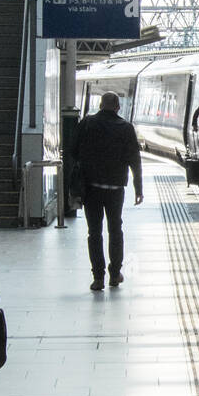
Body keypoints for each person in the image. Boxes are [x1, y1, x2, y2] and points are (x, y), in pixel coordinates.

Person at [72, 90, 144, 292]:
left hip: (92, 188)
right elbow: (135, 161)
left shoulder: (87, 123)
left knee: (94, 232)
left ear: (100, 105)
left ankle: (98, 278)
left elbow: (72, 150)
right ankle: (114, 274)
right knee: (115, 230)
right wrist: (138, 188)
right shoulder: (126, 128)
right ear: (118, 107)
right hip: (115, 190)